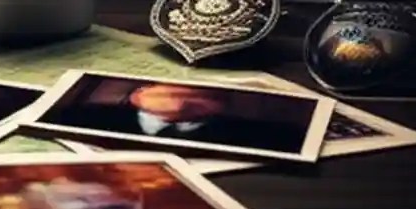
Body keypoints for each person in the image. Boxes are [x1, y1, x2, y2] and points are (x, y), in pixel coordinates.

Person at [46, 83, 306, 153]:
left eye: (202, 96)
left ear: (219, 104)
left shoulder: (265, 137)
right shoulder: (76, 119)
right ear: (140, 95)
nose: (183, 100)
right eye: (171, 93)